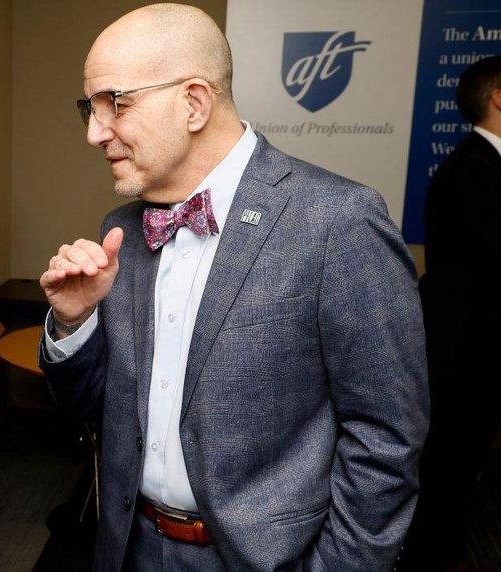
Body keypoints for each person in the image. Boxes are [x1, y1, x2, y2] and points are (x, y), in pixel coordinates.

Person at [38, 4, 429, 570]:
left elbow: (387, 438)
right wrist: (75, 326)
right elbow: (89, 410)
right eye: (88, 108)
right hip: (127, 546)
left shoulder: (338, 222)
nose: (95, 133)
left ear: (194, 102)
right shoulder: (119, 230)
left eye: (115, 104)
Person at [402, 55, 501, 570]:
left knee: (458, 472)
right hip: (462, 356)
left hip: (473, 353)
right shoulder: (472, 169)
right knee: (447, 473)